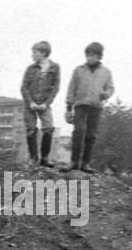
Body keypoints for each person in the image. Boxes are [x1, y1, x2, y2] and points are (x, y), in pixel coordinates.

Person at [63, 42, 115, 174]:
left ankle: (85, 163)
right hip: (80, 104)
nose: (90, 58)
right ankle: (74, 162)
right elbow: (71, 88)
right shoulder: (79, 70)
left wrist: (106, 94)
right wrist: (69, 108)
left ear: (99, 56)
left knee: (91, 135)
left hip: (96, 106)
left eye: (93, 55)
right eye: (88, 55)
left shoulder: (106, 72)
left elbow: (110, 88)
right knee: (78, 131)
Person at [20, 41, 61, 167]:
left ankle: (45, 158)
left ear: (43, 53)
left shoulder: (54, 67)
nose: (32, 55)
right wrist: (30, 102)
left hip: (44, 104)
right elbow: (24, 87)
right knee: (31, 130)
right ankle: (33, 158)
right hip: (30, 104)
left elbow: (55, 87)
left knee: (48, 129)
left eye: (35, 52)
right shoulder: (30, 68)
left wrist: (46, 103)